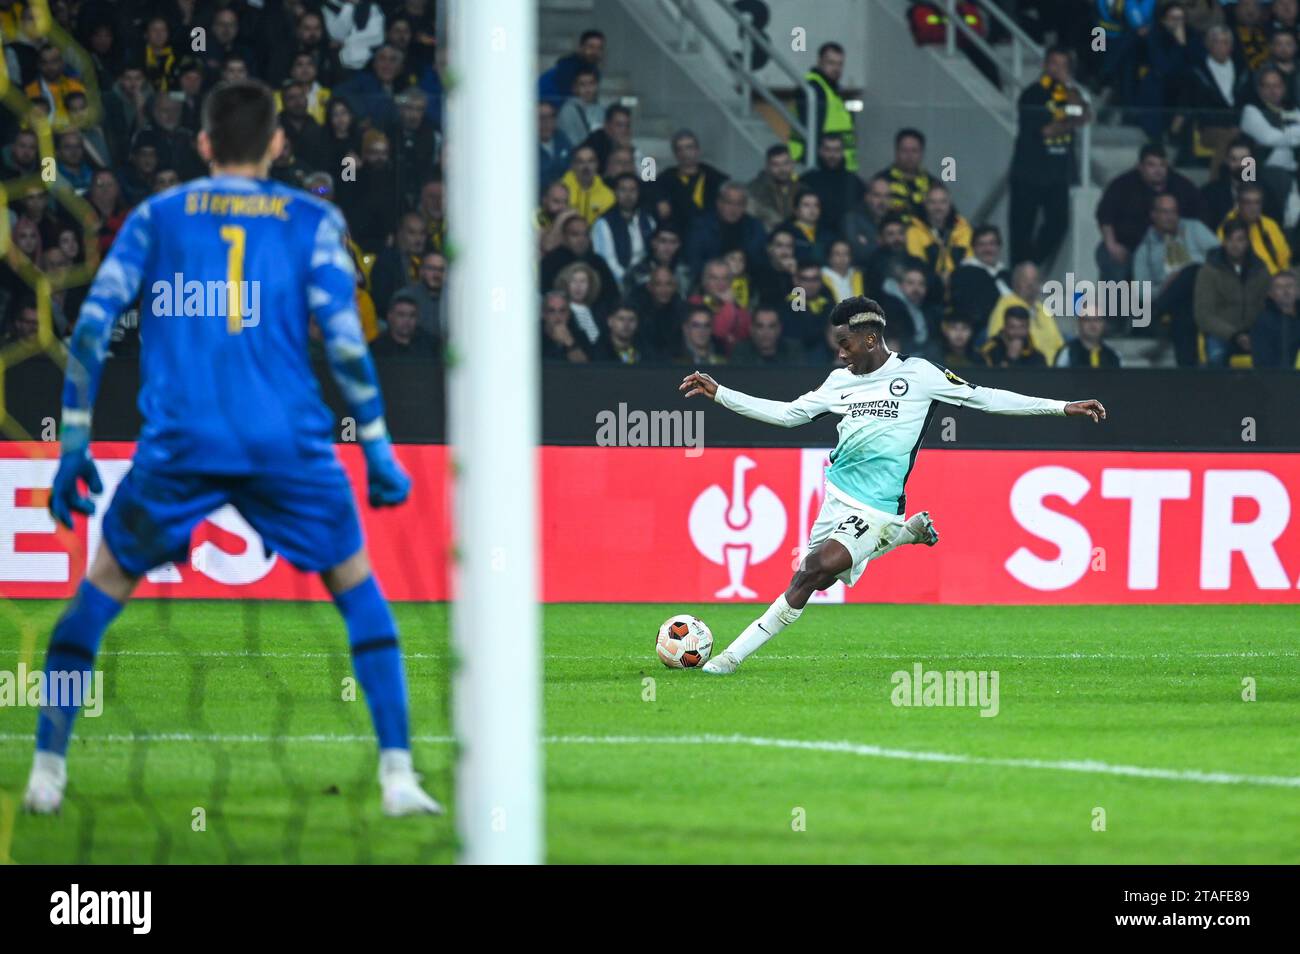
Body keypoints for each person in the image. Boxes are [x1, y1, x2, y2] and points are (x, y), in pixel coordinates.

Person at [24, 80, 440, 817]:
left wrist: (73, 447)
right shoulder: (313, 219)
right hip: (288, 443)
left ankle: (46, 773)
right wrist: (377, 451)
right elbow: (346, 345)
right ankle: (399, 779)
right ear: (280, 143)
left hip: (182, 441)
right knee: (360, 596)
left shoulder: (157, 216)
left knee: (96, 597)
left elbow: (88, 331)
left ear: (205, 143)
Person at [680, 297, 1105, 675]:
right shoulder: (838, 382)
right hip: (836, 497)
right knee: (819, 579)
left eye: (845, 343)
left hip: (878, 506)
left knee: (811, 572)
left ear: (869, 340)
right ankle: (906, 535)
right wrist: (722, 394)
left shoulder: (920, 375)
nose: (840, 352)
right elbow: (788, 415)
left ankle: (730, 659)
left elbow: (986, 397)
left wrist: (1060, 407)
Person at [1009, 46, 1089, 267]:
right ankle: (1018, 272)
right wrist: (1070, 123)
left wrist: (1070, 88)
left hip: (1057, 174)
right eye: (1054, 64)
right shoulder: (1032, 93)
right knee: (1021, 229)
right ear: (1045, 65)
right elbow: (1047, 130)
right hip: (1029, 172)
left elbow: (1084, 114)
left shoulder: (1069, 94)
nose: (1058, 70)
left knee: (1058, 223)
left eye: (1063, 66)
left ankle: (1031, 266)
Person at [1194, 218, 1270, 365]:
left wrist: (1256, 333)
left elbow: (1266, 306)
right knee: (1216, 357)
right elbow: (1203, 316)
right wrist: (1235, 335)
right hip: (1221, 334)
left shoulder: (1260, 270)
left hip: (1254, 332)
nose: (1235, 245)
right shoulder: (1209, 271)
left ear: (1248, 242)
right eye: (1230, 239)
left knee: (1274, 353)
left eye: (1240, 239)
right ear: (1223, 242)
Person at [789, 42, 857, 170]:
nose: (836, 69)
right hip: (821, 164)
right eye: (831, 63)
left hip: (836, 164)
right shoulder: (814, 90)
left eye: (840, 64)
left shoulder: (832, 90)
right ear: (820, 62)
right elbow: (813, 132)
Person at [746, 144, 800, 232]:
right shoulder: (753, 190)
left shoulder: (801, 189)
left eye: (786, 163)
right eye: (776, 164)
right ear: (768, 167)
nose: (782, 169)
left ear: (792, 164)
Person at [1252, 269, 1300, 368]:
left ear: (1297, 291)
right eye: (1279, 287)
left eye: (1289, 286)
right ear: (1271, 294)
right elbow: (1262, 362)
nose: (1286, 291)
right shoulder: (1263, 322)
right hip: (1280, 378)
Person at [980, 305, 1047, 367]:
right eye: (1012, 327)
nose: (1017, 332)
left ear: (1028, 328)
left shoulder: (1037, 356)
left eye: (1022, 327)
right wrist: (1010, 359)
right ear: (1005, 327)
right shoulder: (989, 351)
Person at [1054, 307, 1121, 367]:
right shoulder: (1068, 353)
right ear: (1079, 323)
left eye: (1097, 320)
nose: (1093, 324)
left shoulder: (1113, 356)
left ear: (1104, 323)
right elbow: (1057, 379)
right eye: (1087, 320)